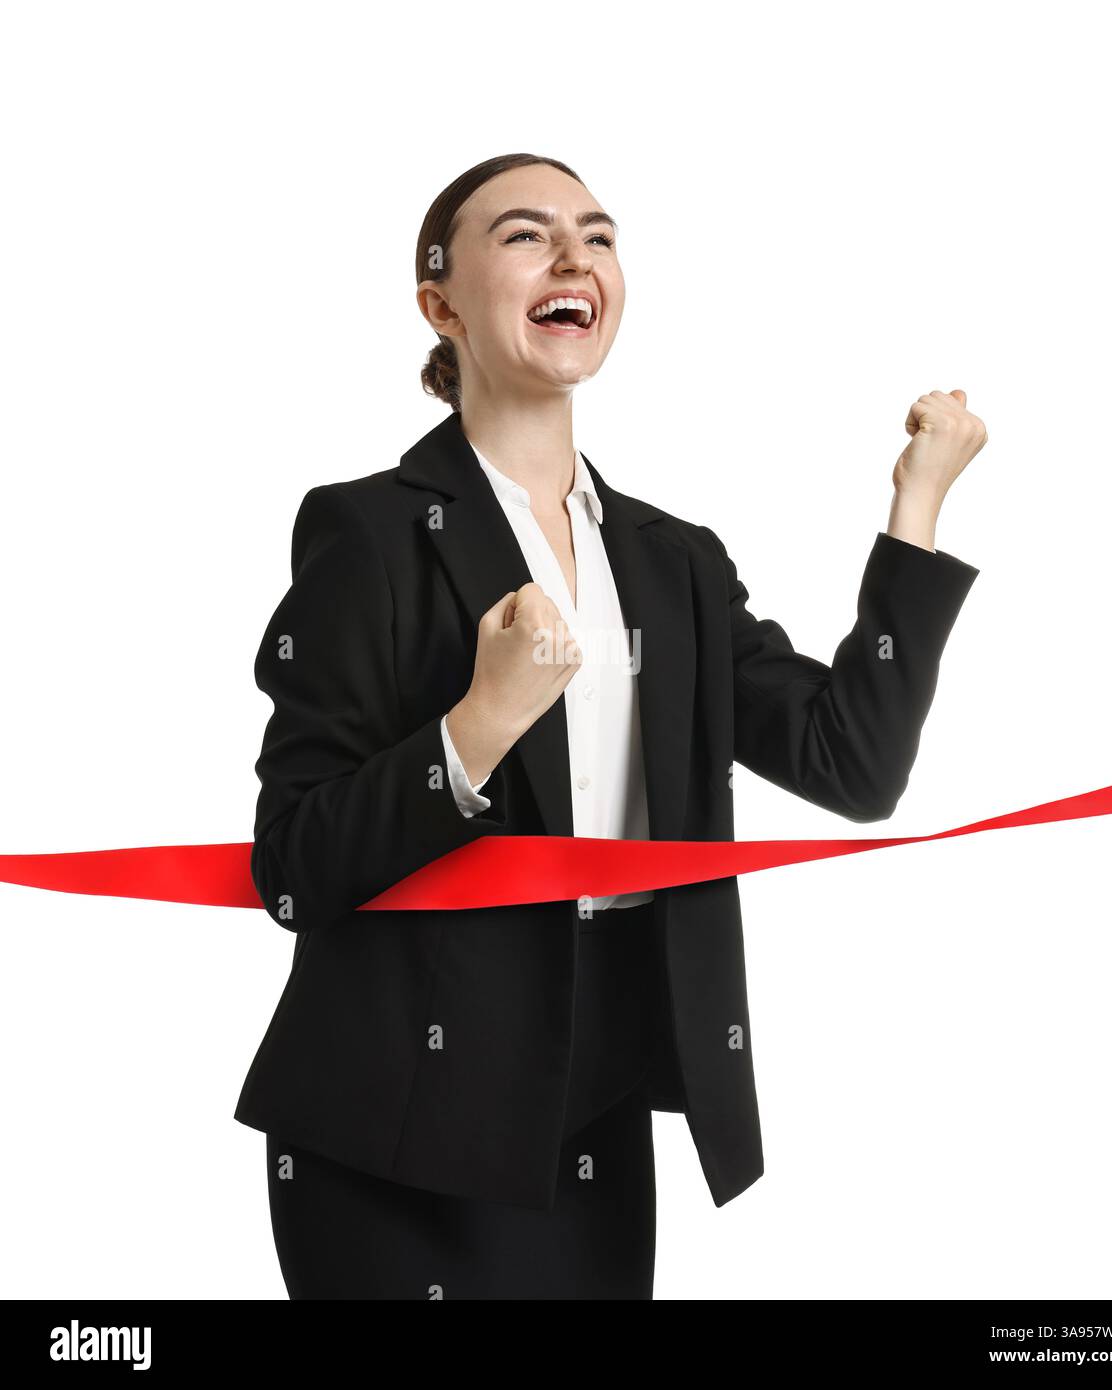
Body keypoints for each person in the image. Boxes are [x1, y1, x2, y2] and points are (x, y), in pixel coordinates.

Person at [234, 152, 986, 1300]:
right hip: (393, 1126)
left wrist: (917, 506)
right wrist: (478, 724)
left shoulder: (670, 560)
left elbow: (853, 763)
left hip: (599, 1102)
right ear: (440, 302)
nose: (574, 255)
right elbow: (293, 869)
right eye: (525, 235)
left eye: (597, 233)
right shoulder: (367, 536)